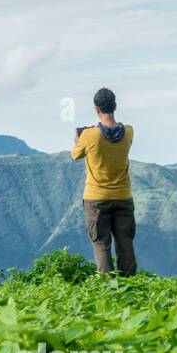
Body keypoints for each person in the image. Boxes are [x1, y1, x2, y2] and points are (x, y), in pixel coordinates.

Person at [71, 87, 137, 275]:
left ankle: (108, 287)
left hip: (96, 198)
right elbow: (114, 136)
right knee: (126, 243)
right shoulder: (129, 132)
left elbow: (75, 154)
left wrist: (79, 138)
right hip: (123, 196)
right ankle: (130, 284)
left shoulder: (89, 135)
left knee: (101, 244)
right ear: (115, 106)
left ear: (96, 109)